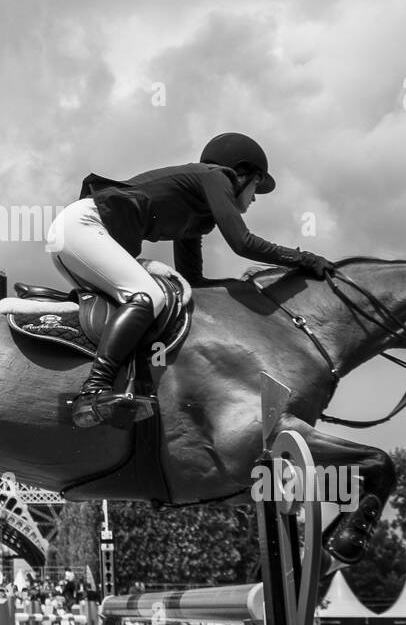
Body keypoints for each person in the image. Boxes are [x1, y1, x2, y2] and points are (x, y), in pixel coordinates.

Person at [47, 133, 336, 428]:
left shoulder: (197, 208)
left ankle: (128, 383)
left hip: (74, 235)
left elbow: (192, 279)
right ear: (241, 173)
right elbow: (243, 242)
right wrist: (303, 259)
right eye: (256, 187)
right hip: (84, 226)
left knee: (154, 299)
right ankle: (94, 388)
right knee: (148, 296)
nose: (255, 197)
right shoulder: (215, 177)